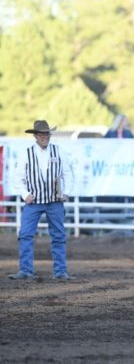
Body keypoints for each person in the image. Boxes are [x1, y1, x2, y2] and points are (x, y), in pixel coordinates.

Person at [8, 120, 74, 280]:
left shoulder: (59, 151)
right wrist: (25, 194)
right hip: (34, 200)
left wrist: (66, 192)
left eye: (47, 134)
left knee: (58, 236)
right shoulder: (26, 153)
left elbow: (68, 174)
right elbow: (17, 177)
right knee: (25, 234)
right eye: (42, 134)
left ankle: (60, 271)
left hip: (55, 200)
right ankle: (25, 270)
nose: (45, 137)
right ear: (36, 136)